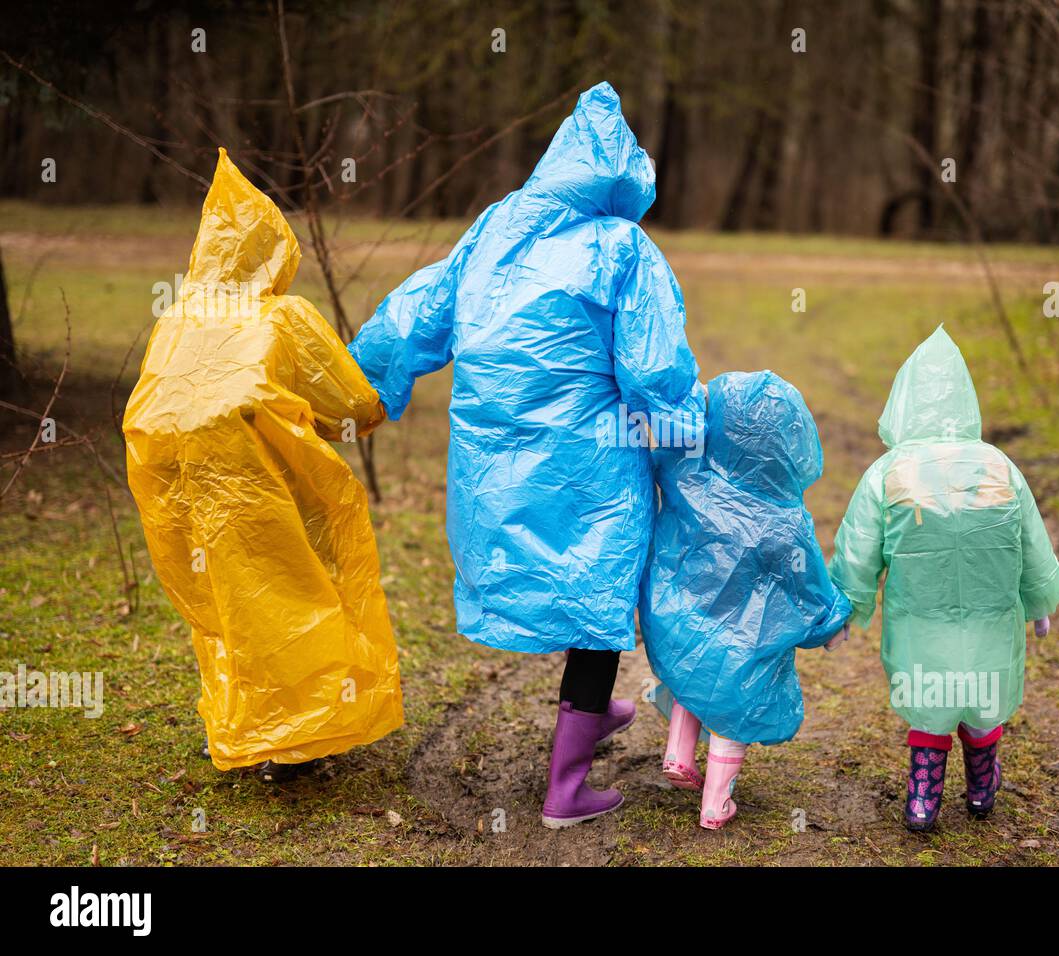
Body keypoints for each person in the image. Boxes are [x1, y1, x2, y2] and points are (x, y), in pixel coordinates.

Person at [348, 82, 704, 828]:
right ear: (624, 176)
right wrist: (685, 431)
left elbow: (424, 308)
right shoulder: (622, 245)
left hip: (492, 460)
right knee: (598, 597)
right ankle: (567, 790)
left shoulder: (497, 226)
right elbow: (652, 367)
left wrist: (363, 384)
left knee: (578, 587)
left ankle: (593, 713)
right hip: (592, 456)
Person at [124, 149, 403, 781]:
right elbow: (352, 402)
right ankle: (295, 737)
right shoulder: (281, 316)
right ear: (273, 252)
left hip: (170, 481)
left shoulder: (175, 317)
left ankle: (245, 723)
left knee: (225, 598)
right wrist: (370, 404)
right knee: (285, 591)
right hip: (250, 477)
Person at [829, 326, 1059, 832]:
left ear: (905, 399)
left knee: (931, 689)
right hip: (981, 614)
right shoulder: (999, 466)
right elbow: (1031, 540)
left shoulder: (889, 471)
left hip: (923, 616)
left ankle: (953, 780)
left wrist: (846, 606)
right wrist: (1038, 598)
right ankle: (958, 777)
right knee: (977, 690)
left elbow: (858, 547)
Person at [641, 371, 851, 830]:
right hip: (741, 643)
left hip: (680, 618)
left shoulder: (688, 473)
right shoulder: (784, 521)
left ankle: (678, 751)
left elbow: (663, 450)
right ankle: (716, 803)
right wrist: (833, 621)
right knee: (737, 702)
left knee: (693, 672)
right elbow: (810, 586)